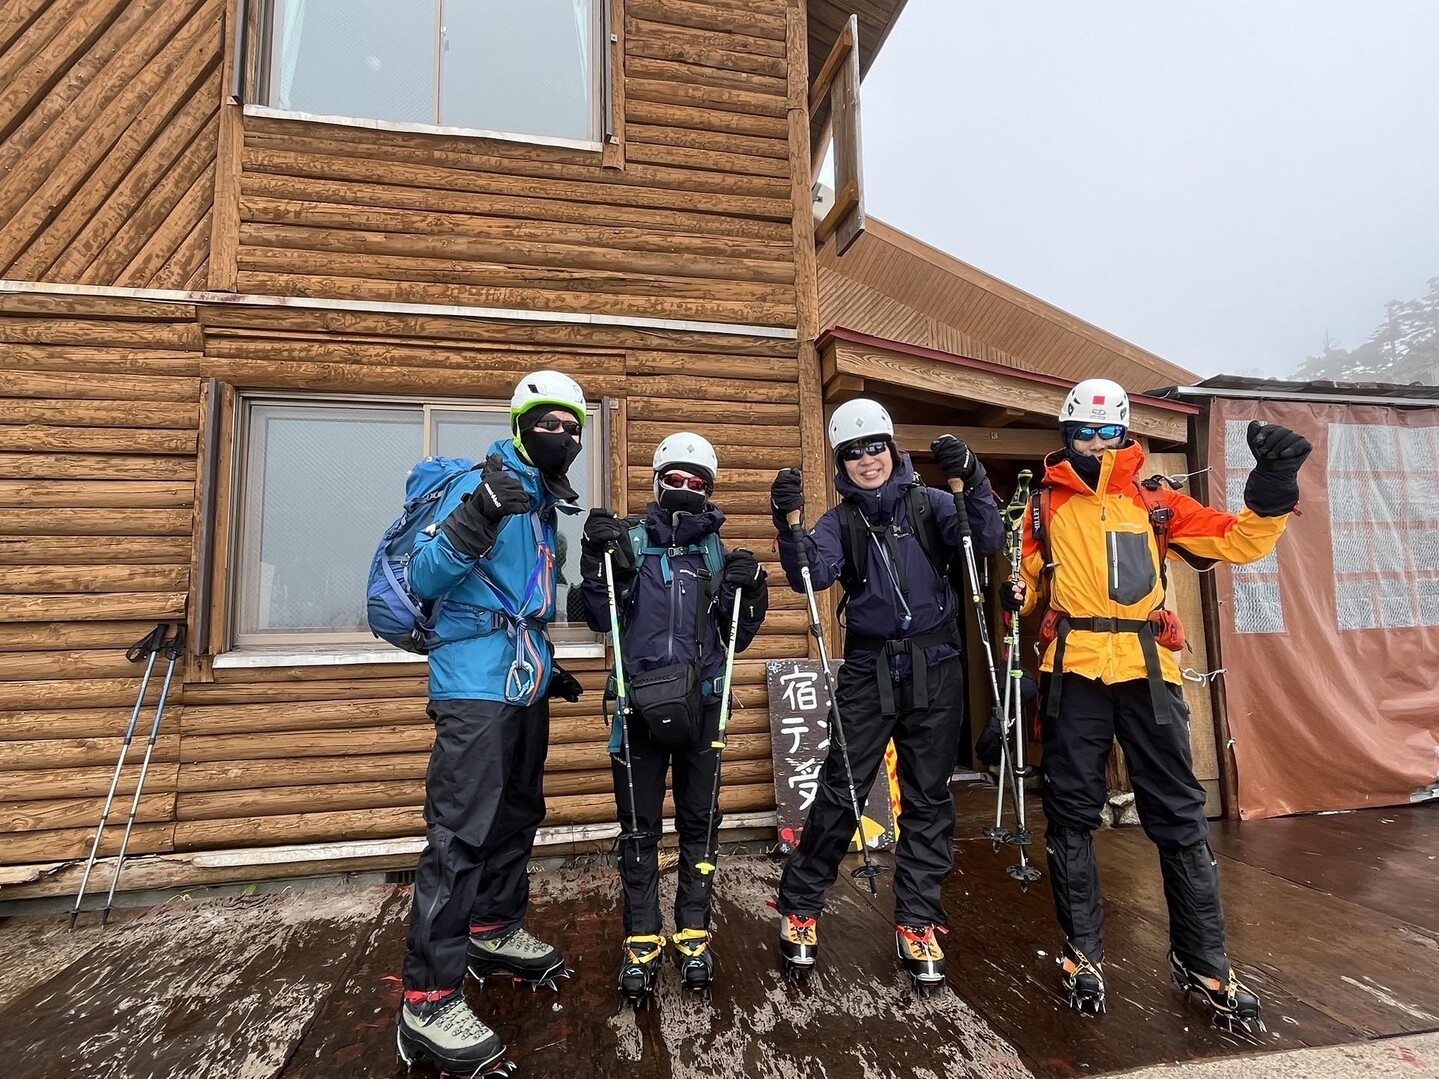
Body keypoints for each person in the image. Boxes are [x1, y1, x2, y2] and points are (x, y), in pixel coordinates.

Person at [1005, 377, 1311, 1031]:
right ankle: (1081, 953)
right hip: (1072, 674)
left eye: (1105, 430)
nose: (1093, 442)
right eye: (1082, 430)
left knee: (1178, 817)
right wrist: (1010, 587)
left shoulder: (1157, 499)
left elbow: (1239, 540)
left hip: (1147, 672)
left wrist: (1274, 485)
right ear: (1065, 433)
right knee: (1069, 817)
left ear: (1122, 432)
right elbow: (1024, 593)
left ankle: (1203, 962)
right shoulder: (1038, 510)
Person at [769, 398, 1004, 992]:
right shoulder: (837, 522)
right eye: (851, 452)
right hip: (869, 666)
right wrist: (785, 523)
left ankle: (918, 919)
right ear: (840, 462)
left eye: (874, 446)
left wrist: (973, 477)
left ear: (892, 447)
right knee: (842, 788)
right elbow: (810, 576)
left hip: (937, 663)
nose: (866, 460)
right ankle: (801, 905)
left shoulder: (934, 504)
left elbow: (987, 536)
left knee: (929, 795)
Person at [395, 371, 589, 1076]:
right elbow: (425, 578)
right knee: (459, 834)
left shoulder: (541, 505)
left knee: (516, 814)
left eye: (573, 428)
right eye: (548, 422)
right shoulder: (478, 485)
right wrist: (477, 512)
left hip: (519, 679)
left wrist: (547, 667)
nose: (561, 436)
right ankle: (428, 995)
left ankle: (493, 926)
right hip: (471, 687)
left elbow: (522, 602)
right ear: (518, 423)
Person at [579, 432, 769, 1007]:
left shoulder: (717, 555)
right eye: (674, 480)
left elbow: (738, 636)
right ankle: (641, 936)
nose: (684, 490)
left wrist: (751, 592)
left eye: (696, 483)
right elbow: (595, 614)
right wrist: (594, 564)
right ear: (658, 483)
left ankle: (692, 932)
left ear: (708, 489)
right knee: (639, 828)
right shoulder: (630, 546)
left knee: (699, 823)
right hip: (638, 705)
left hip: (703, 703)